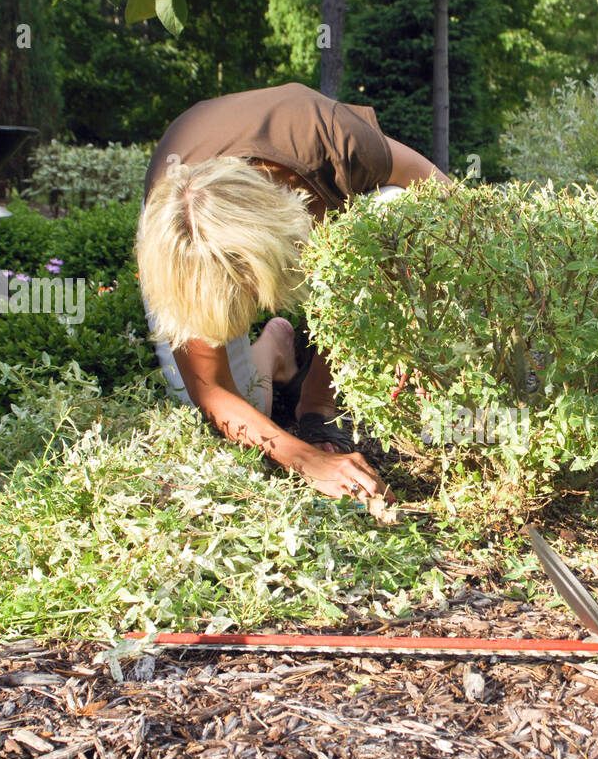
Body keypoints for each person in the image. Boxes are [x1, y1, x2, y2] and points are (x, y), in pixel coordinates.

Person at [136, 82, 450, 501]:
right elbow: (211, 390)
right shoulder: (181, 244)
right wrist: (307, 460)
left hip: (304, 157)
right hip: (192, 216)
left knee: (397, 210)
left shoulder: (334, 140)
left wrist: (417, 314)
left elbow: (444, 198)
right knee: (234, 413)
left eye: (251, 292)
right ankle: (277, 348)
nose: (257, 305)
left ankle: (320, 397)